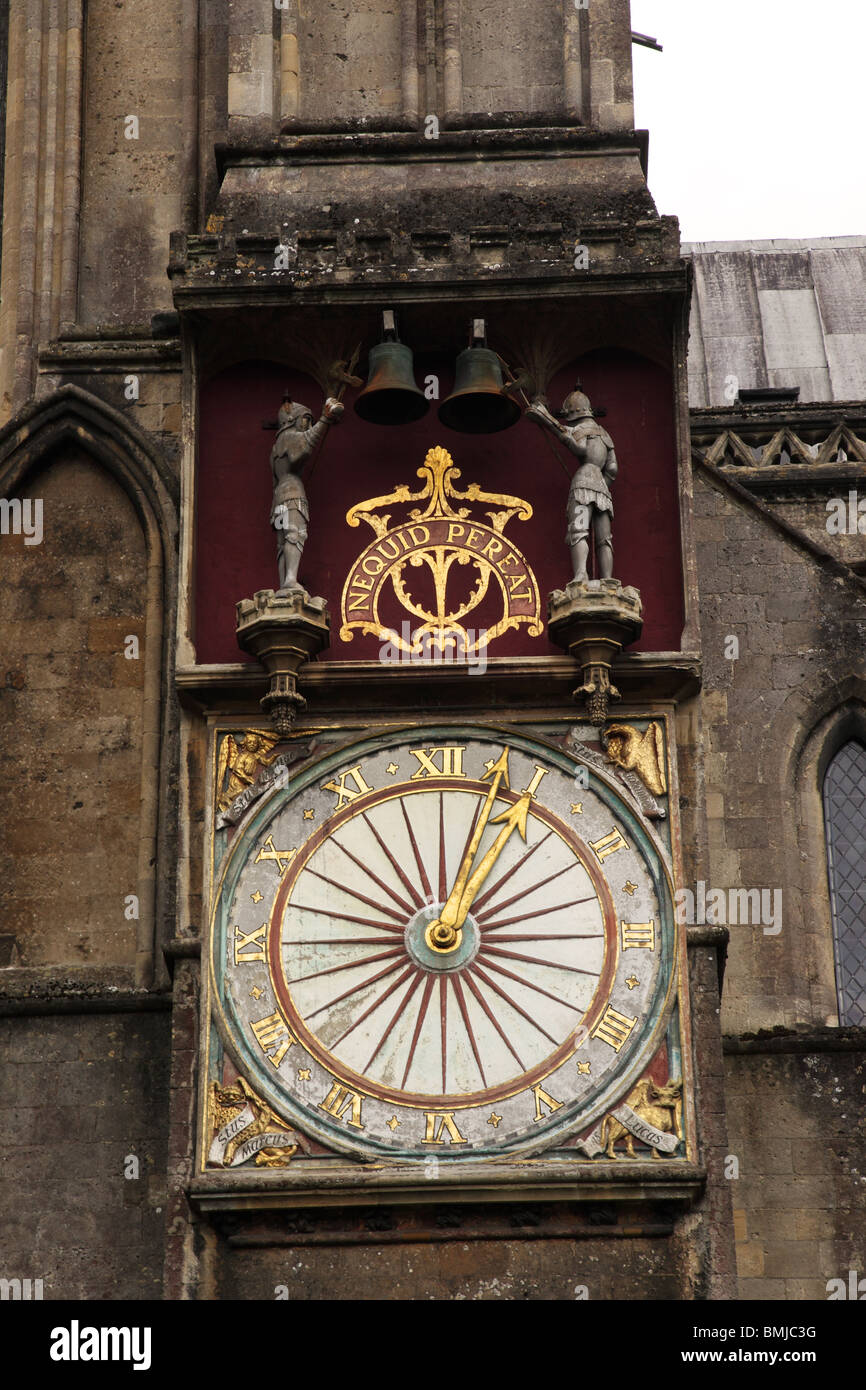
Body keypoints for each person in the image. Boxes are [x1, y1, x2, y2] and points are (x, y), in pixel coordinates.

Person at [526, 386, 617, 582]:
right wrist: (601, 484)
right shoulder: (605, 434)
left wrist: (561, 435)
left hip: (583, 483)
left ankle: (581, 574)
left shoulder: (579, 429)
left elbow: (580, 449)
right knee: (604, 539)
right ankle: (608, 579)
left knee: (579, 530)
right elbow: (612, 469)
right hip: (602, 489)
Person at [270, 394, 343, 590]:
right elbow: (306, 444)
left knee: (283, 541)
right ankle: (290, 580)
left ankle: (285, 581)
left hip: (279, 496)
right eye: (306, 419)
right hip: (293, 491)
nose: (308, 424)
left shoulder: (277, 445)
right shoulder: (289, 438)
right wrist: (325, 419)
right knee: (296, 534)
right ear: (291, 419)